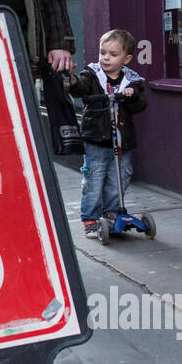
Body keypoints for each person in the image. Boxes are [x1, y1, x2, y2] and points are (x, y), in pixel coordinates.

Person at [69, 29, 147, 238]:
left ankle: (111, 213)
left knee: (119, 179)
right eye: (103, 52)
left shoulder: (132, 81)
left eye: (113, 54)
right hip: (96, 139)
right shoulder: (92, 75)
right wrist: (73, 81)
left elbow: (140, 105)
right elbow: (81, 89)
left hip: (122, 141)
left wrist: (131, 96)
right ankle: (91, 219)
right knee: (94, 181)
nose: (106, 58)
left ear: (126, 58)